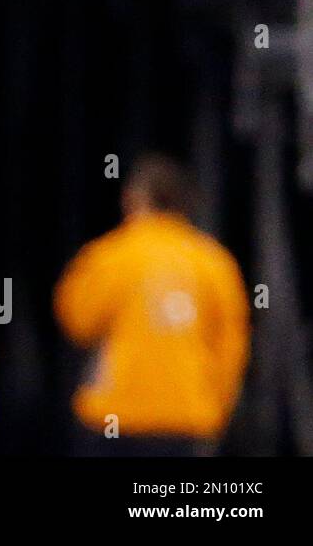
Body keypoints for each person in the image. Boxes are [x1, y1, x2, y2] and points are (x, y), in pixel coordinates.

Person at [54, 153, 250, 456]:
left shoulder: (110, 255)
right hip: (187, 419)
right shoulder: (215, 263)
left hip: (116, 416)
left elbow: (78, 322)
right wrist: (215, 408)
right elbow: (232, 347)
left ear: (134, 198)